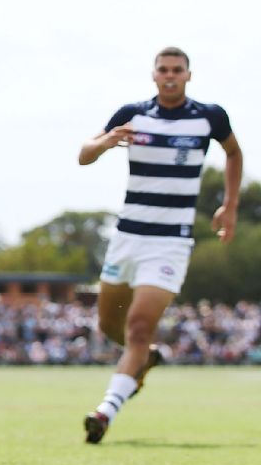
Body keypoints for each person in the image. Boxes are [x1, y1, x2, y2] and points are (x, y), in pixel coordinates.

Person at [78, 46, 241, 443]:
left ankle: (105, 411)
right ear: (154, 75)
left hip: (170, 242)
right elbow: (84, 155)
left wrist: (230, 204)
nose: (170, 76)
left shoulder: (209, 116)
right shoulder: (132, 113)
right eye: (163, 70)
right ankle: (146, 359)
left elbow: (233, 153)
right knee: (108, 325)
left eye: (177, 70)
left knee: (136, 328)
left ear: (188, 75)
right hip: (127, 236)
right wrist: (106, 142)